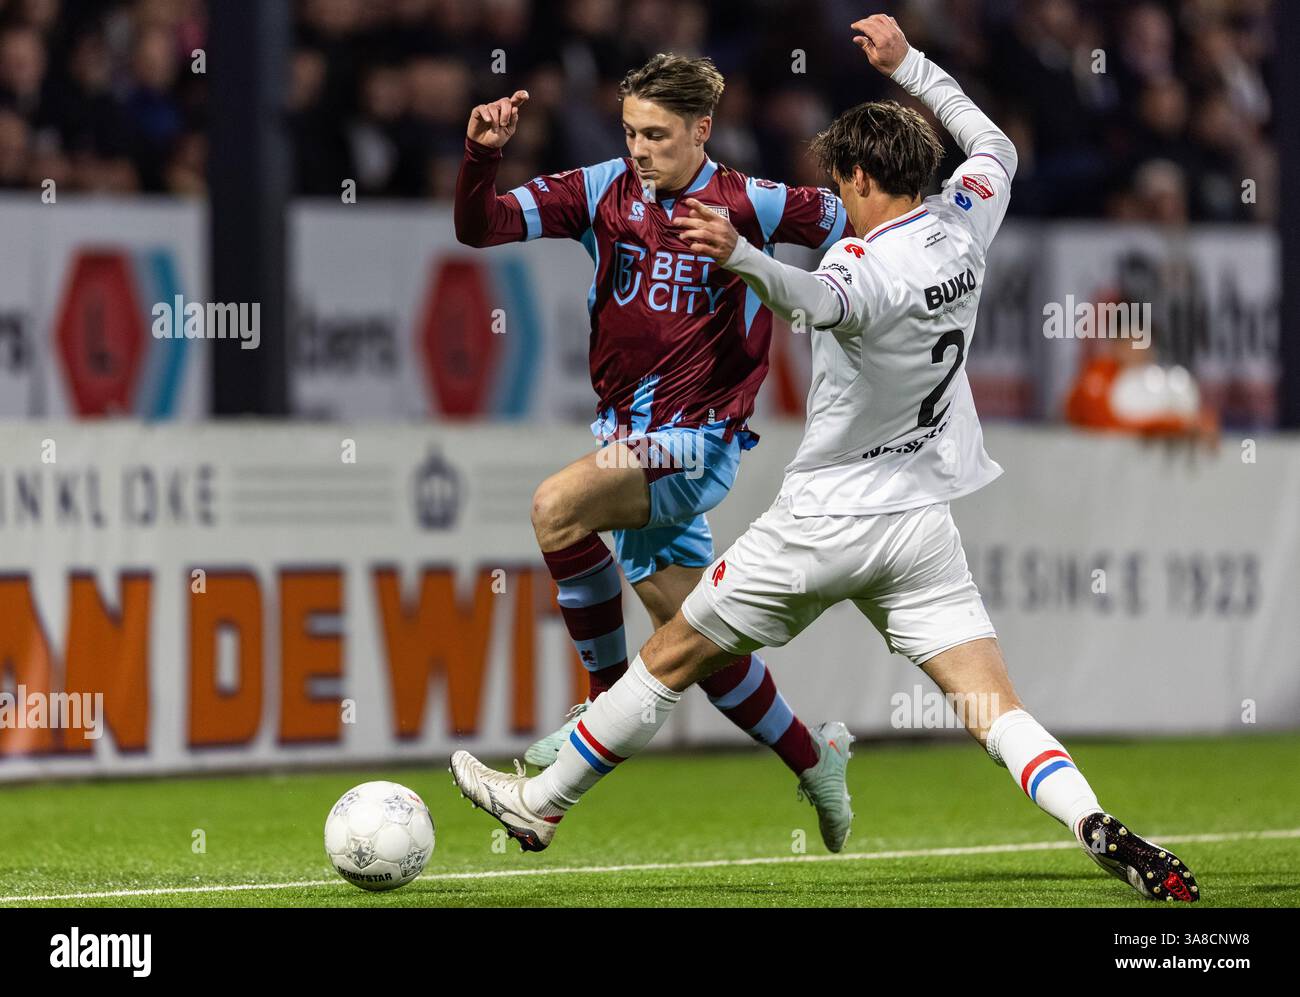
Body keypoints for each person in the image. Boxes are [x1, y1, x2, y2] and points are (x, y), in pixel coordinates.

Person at [451, 14, 1199, 904]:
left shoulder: (855, 267)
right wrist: (913, 63)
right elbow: (991, 141)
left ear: (855, 178)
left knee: (670, 652)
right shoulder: (967, 222)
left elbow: (816, 299)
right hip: (921, 524)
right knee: (994, 707)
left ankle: (539, 800)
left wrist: (743, 256)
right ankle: (1090, 819)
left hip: (824, 515)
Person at [454, 51, 857, 850]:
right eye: (631, 130)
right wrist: (481, 155)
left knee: (556, 506)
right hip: (626, 438)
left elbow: (858, 224)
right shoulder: (600, 189)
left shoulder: (752, 200)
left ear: (702, 130)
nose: (639, 149)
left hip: (699, 443)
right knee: (691, 636)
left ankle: (596, 708)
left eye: (658, 135)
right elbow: (480, 226)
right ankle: (818, 760)